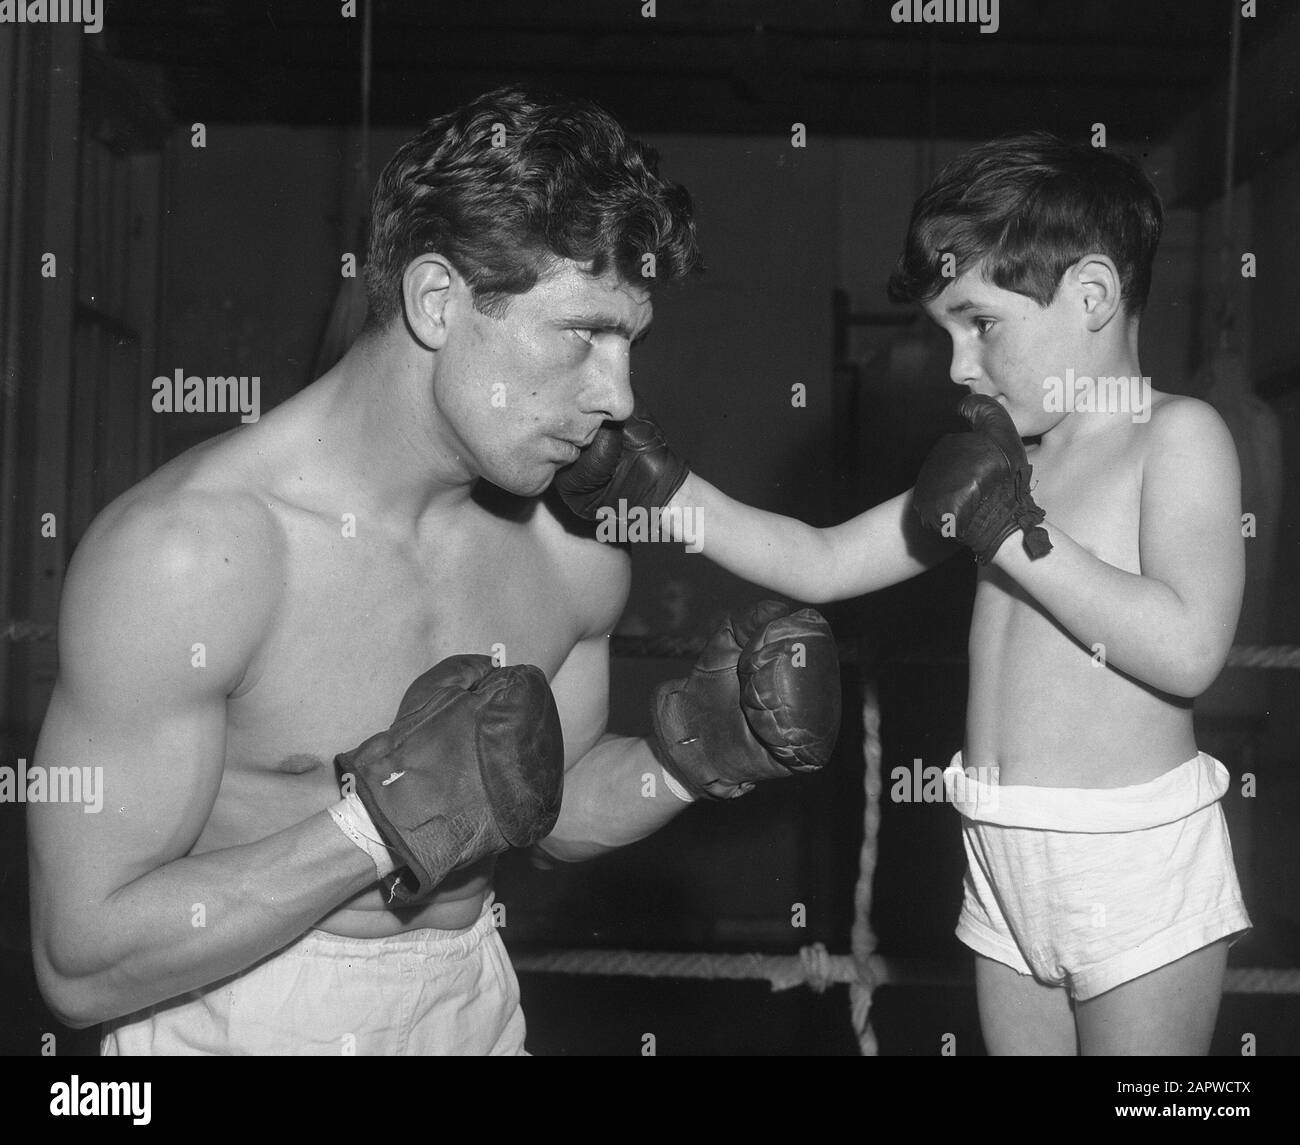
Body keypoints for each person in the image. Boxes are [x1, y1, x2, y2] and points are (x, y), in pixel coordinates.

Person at [27, 86, 840, 1056]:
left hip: (470, 1004)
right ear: (436, 301)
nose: (616, 396)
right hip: (239, 1013)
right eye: (581, 333)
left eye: (630, 342)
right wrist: (374, 826)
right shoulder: (192, 555)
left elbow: (546, 804)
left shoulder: (572, 555)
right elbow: (79, 962)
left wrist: (691, 755)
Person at [559, 132, 1251, 1055]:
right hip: (1000, 849)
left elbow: (1192, 647)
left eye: (982, 323)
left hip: (1128, 853)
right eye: (948, 334)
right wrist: (669, 493)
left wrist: (1017, 536)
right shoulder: (1001, 463)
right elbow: (823, 559)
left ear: (1091, 295)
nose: (961, 366)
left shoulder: (1179, 437)